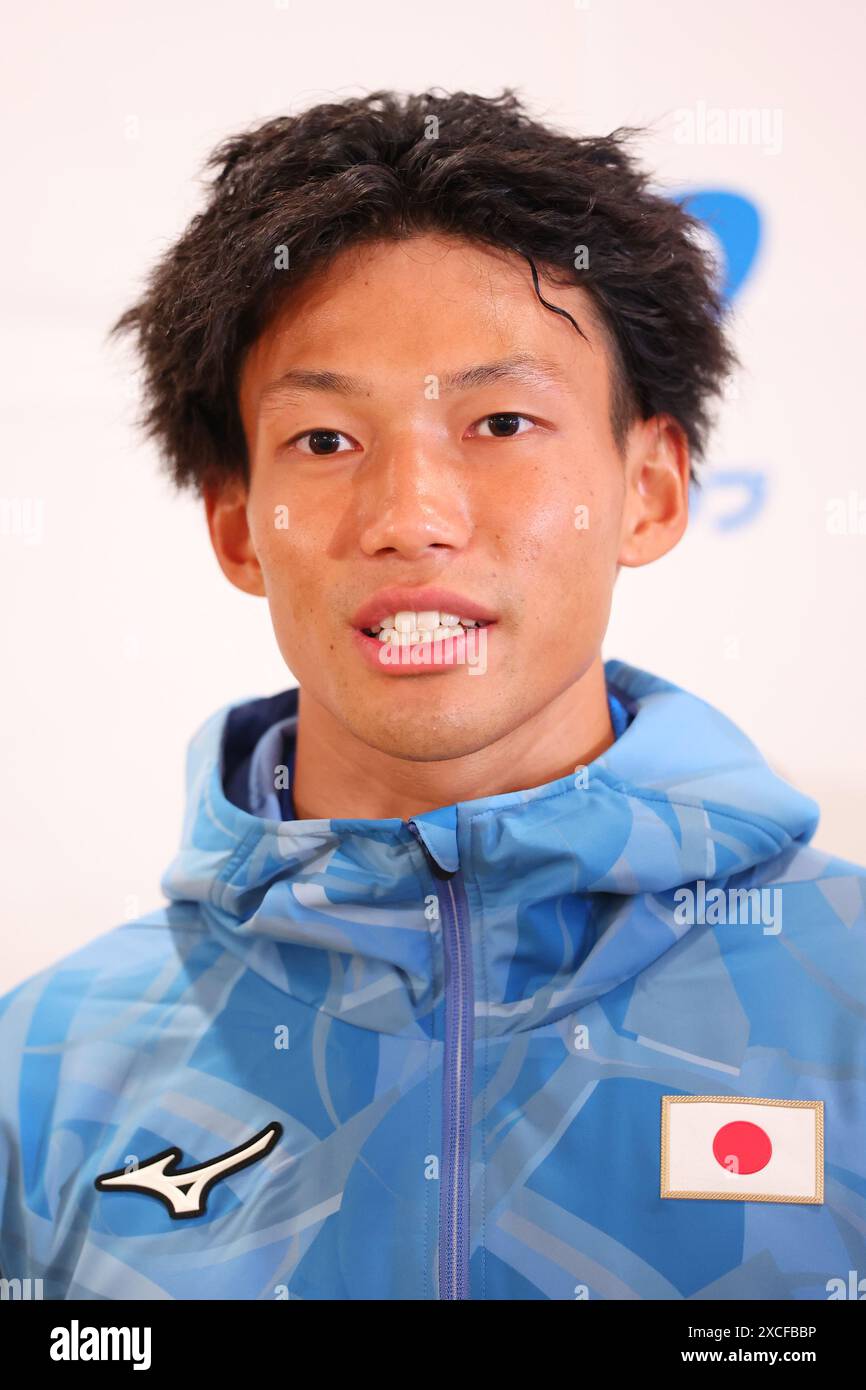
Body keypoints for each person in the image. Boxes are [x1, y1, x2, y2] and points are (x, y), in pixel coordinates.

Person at [1, 90, 863, 1302]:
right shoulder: (41, 1066)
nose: (409, 518)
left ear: (651, 488)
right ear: (238, 523)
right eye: (324, 441)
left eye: (499, 421)